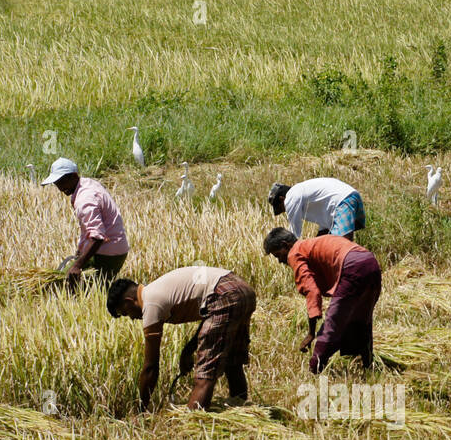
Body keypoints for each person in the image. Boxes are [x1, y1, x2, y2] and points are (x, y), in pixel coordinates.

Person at [106, 266, 256, 412]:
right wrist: (189, 350)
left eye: (126, 313)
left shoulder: (150, 303)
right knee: (232, 362)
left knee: (205, 373)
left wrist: (142, 409)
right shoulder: (156, 289)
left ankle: (194, 423)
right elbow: (210, 312)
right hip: (241, 288)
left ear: (129, 301)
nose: (132, 318)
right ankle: (240, 410)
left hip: (224, 294)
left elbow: (151, 366)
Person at [263, 228, 381, 374]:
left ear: (285, 245)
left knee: (331, 325)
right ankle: (368, 366)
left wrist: (311, 333)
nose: (280, 261)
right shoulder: (310, 244)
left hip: (353, 268)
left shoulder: (295, 252)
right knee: (361, 319)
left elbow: (312, 291)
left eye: (278, 255)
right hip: (371, 263)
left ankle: (314, 370)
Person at [40, 157, 129, 291]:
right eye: (57, 183)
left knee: (77, 288)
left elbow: (98, 237)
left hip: (107, 254)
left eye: (62, 181)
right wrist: (81, 252)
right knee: (76, 283)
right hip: (116, 248)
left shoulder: (85, 200)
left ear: (73, 176)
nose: (60, 187)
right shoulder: (87, 183)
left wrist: (78, 265)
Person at [268, 177, 365, 240]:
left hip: (342, 201)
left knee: (342, 246)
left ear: (282, 199)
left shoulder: (290, 197)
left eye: (281, 208)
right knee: (329, 245)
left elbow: (294, 235)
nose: (285, 211)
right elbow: (325, 230)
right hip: (351, 197)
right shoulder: (302, 191)